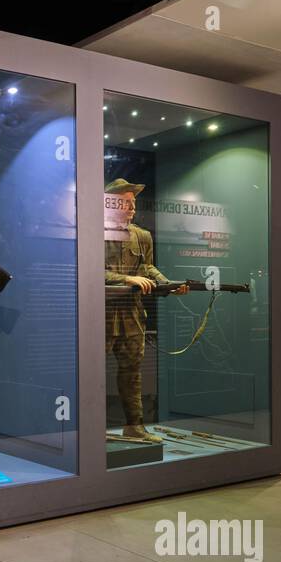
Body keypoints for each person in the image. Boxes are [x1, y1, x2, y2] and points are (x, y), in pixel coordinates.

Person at [104, 178, 186, 443]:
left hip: (131, 313)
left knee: (132, 371)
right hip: (99, 313)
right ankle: (87, 427)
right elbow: (88, 269)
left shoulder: (142, 236)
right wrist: (126, 279)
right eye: (125, 202)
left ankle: (134, 426)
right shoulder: (93, 234)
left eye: (133, 202)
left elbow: (148, 269)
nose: (131, 208)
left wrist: (168, 284)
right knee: (88, 371)